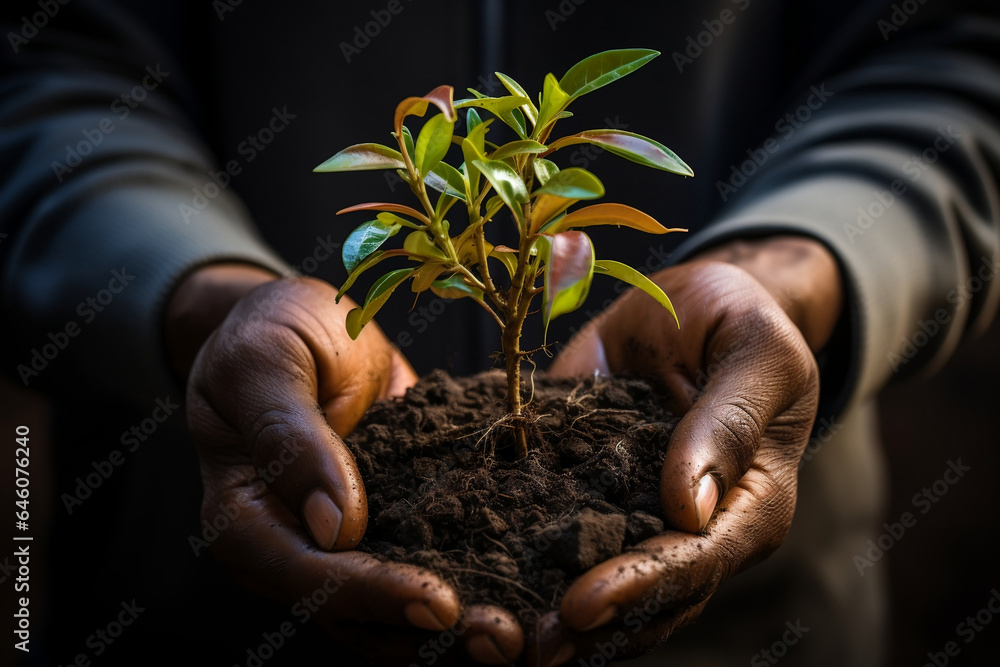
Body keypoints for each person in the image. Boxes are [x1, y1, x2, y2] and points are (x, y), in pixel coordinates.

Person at [2, 1, 998, 665]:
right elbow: (50, 70)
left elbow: (948, 64)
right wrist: (207, 306)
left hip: (754, 631)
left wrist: (797, 272)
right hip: (210, 624)